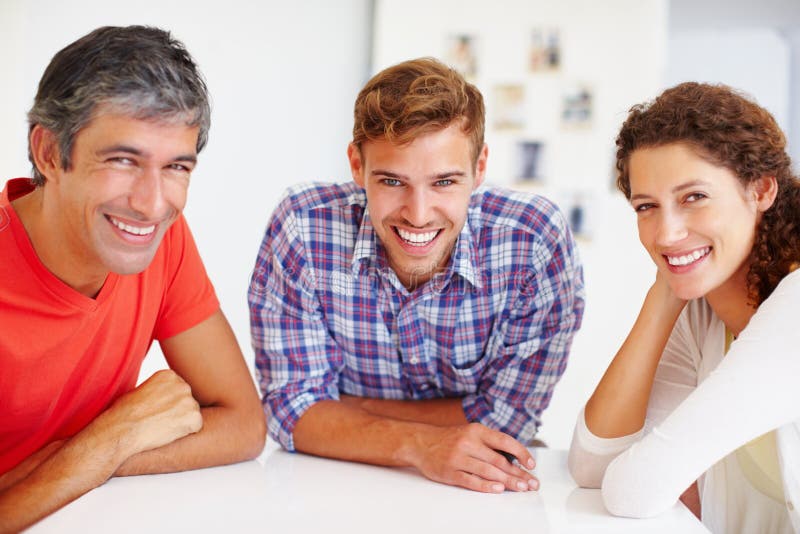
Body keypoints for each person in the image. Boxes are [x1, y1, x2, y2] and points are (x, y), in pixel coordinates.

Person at [249, 57, 584, 494]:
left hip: (476, 484)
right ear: (356, 165)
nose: (419, 214)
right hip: (334, 481)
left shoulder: (533, 241)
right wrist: (419, 445)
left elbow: (507, 418)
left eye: (444, 182)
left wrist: (341, 410)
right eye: (392, 182)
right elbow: (291, 411)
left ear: (480, 167)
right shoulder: (303, 228)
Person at [0, 26, 266, 531]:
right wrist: (106, 440)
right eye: (123, 160)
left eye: (176, 167)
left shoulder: (160, 238)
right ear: (50, 153)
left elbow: (244, 423)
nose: (151, 203)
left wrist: (104, 449)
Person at [568, 82, 800, 533]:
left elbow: (633, 490)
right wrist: (664, 293)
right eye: (647, 207)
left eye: (693, 197)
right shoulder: (702, 315)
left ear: (762, 190)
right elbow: (594, 469)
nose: (667, 233)